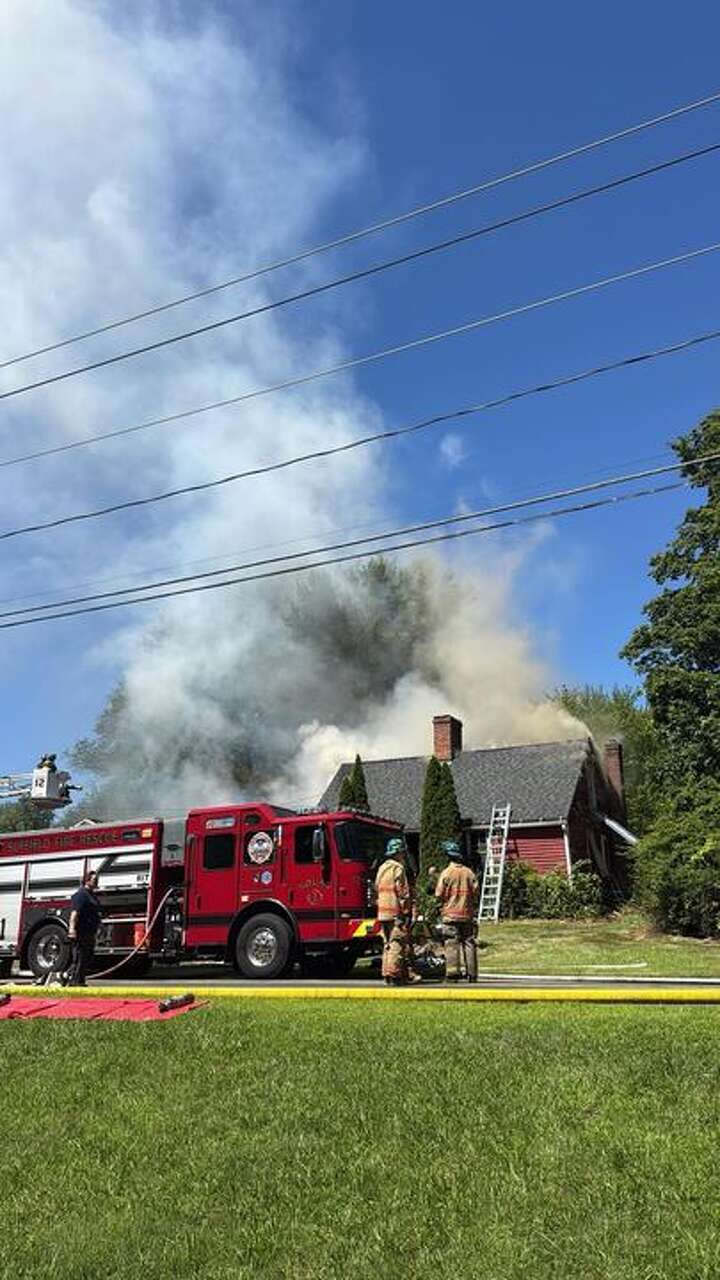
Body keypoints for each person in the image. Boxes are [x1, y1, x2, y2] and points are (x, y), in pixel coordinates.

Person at [374, 837, 420, 986]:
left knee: (387, 943)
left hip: (383, 913)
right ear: (399, 853)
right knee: (397, 943)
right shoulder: (398, 868)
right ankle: (394, 975)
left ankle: (386, 974)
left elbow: (376, 888)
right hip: (395, 912)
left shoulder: (382, 868)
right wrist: (406, 911)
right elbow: (403, 893)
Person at [434, 840, 480, 982]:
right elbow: (476, 891)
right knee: (469, 943)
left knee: (451, 943)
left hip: (450, 915)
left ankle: (453, 974)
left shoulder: (446, 873)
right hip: (466, 914)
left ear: (448, 857)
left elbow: (438, 894)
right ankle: (472, 974)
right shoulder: (469, 873)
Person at [66, 870, 102, 987]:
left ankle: (80, 980)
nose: (96, 882)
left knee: (87, 957)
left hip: (89, 932)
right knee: (79, 957)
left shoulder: (92, 896)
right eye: (94, 880)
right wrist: (72, 929)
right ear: (87, 881)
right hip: (81, 932)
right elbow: (75, 913)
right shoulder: (81, 895)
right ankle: (74, 981)